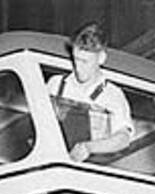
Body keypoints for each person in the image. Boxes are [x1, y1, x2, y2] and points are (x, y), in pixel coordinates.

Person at [46, 23, 133, 164]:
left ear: (101, 58)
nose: (78, 68)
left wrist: (89, 147)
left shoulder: (112, 95)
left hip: (89, 171)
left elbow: (123, 138)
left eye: (85, 62)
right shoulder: (55, 85)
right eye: (76, 60)